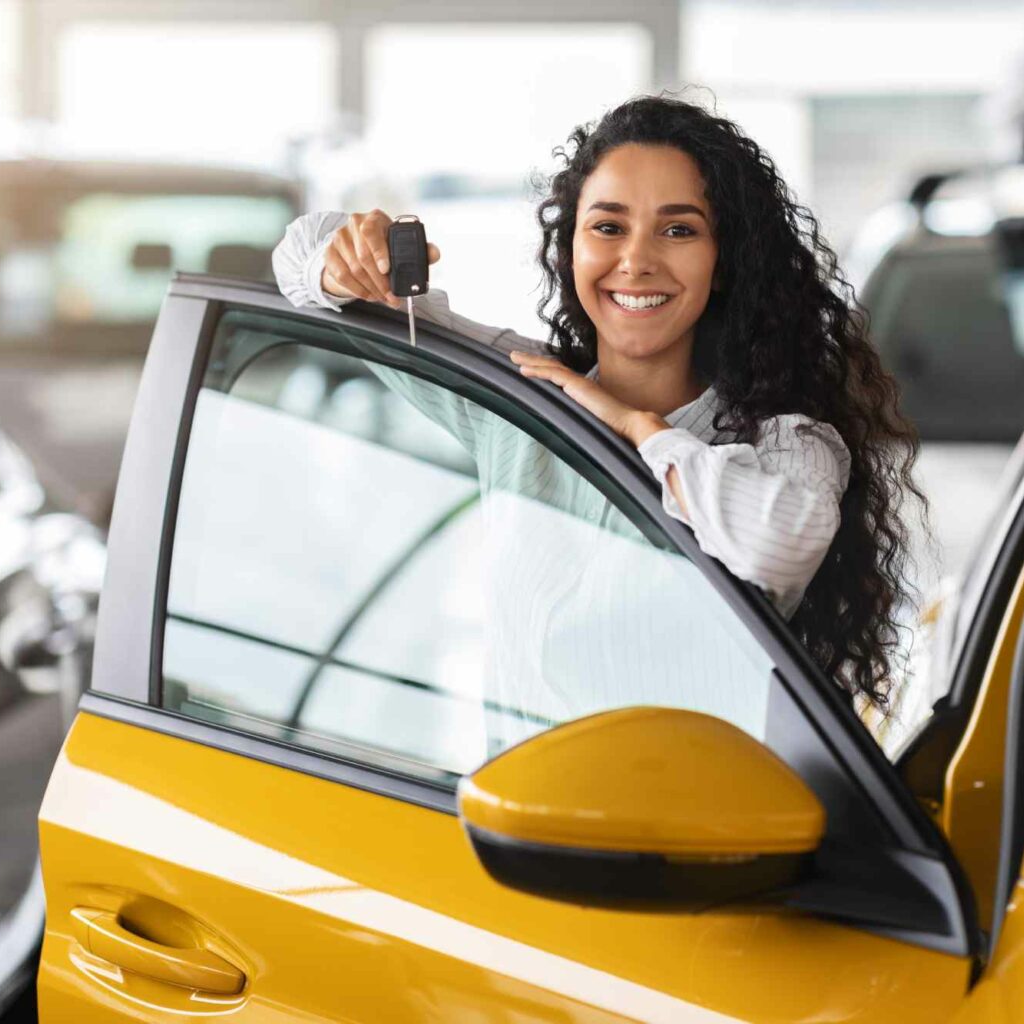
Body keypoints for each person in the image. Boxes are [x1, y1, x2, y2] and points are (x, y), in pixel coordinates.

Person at [273, 95, 920, 734]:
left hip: (705, 830)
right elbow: (299, 264)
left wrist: (639, 428)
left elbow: (777, 543)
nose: (636, 260)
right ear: (571, 250)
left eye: (678, 229)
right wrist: (344, 259)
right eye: (608, 227)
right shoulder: (520, 396)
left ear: (723, 263)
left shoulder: (784, 442)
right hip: (513, 822)